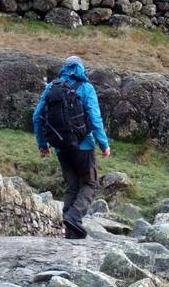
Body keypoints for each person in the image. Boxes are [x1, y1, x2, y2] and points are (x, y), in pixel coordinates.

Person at [32, 56, 111, 239]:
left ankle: (70, 231)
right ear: (81, 69)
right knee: (89, 183)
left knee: (72, 186)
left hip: (61, 147)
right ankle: (74, 217)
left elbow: (37, 117)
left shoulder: (51, 88)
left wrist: (43, 145)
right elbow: (94, 118)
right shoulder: (86, 88)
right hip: (83, 146)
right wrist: (104, 144)